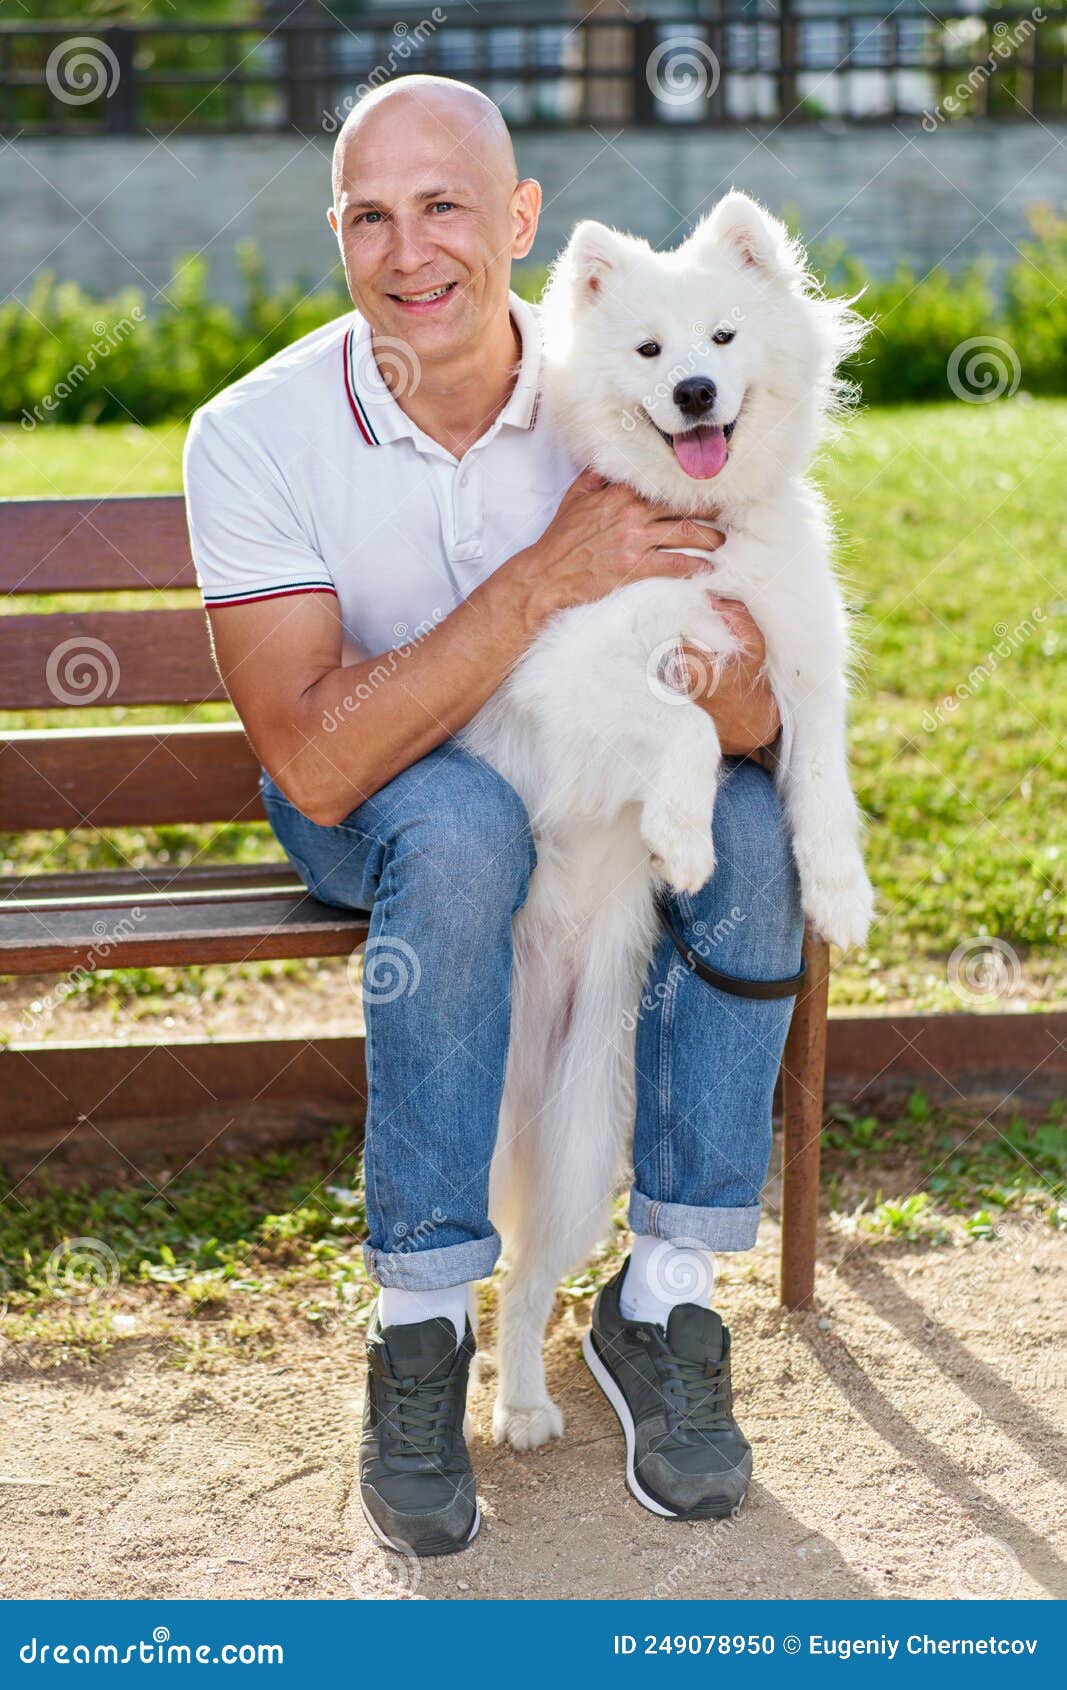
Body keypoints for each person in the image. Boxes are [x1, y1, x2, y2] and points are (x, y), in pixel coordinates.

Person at [183, 74, 802, 1559]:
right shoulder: (254, 432)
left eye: (446, 206)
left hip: (581, 781)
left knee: (756, 827)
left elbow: (759, 724)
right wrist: (545, 578)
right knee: (460, 820)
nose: (412, 253)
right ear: (338, 233)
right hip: (383, 802)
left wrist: (725, 686)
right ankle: (418, 1328)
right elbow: (319, 765)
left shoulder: (630, 388)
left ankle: (663, 1306)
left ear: (519, 220)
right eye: (371, 217)